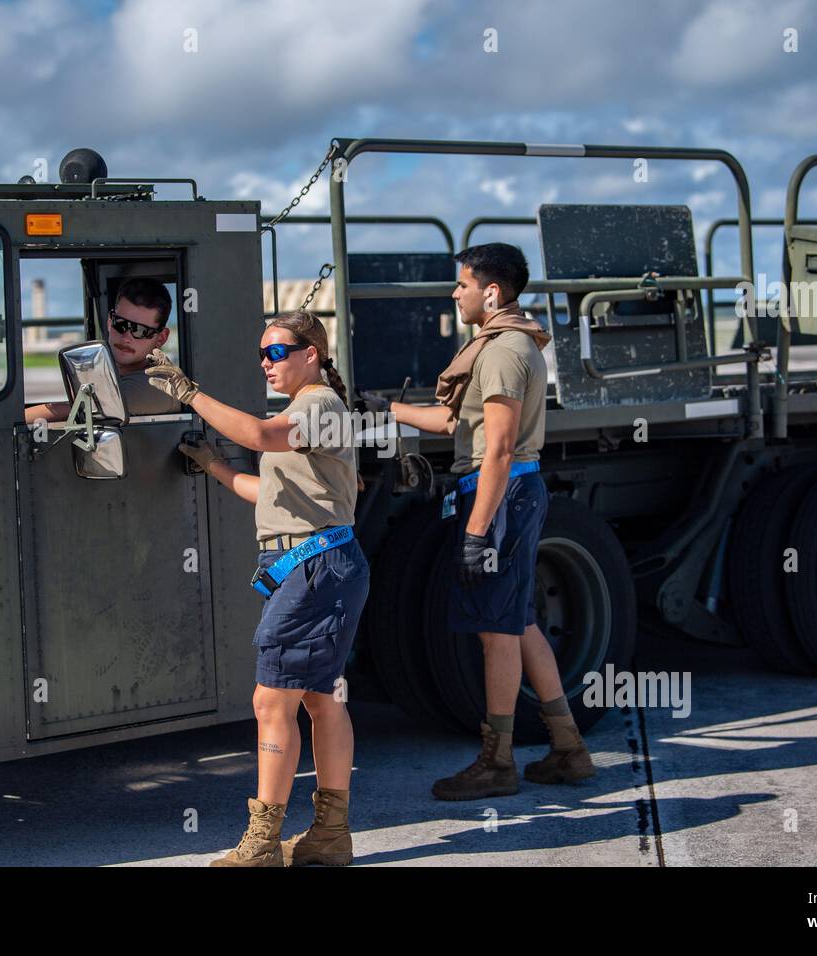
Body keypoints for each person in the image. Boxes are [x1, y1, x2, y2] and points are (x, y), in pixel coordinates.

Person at [361, 242, 595, 800]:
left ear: (491, 292)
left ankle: (497, 762)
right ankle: (568, 748)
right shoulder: (500, 345)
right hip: (509, 490)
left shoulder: (503, 351)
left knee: (496, 632)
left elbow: (500, 449)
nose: (454, 292)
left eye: (462, 284)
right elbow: (452, 423)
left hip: (501, 491)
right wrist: (381, 408)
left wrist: (474, 533)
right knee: (517, 620)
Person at [145, 309, 370, 867]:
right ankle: (330, 836)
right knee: (320, 699)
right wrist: (216, 467)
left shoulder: (318, 404)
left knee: (271, 700)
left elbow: (260, 435)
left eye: (275, 353)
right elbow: (266, 490)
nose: (265, 363)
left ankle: (263, 842)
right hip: (315, 566)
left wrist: (189, 392)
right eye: (261, 354)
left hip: (313, 569)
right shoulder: (307, 409)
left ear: (310, 354)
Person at [24, 276, 180, 424]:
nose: (126, 337)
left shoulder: (157, 385)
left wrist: (7, 423)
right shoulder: (109, 376)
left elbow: (72, 409)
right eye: (120, 323)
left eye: (140, 331)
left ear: (161, 338)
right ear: (109, 321)